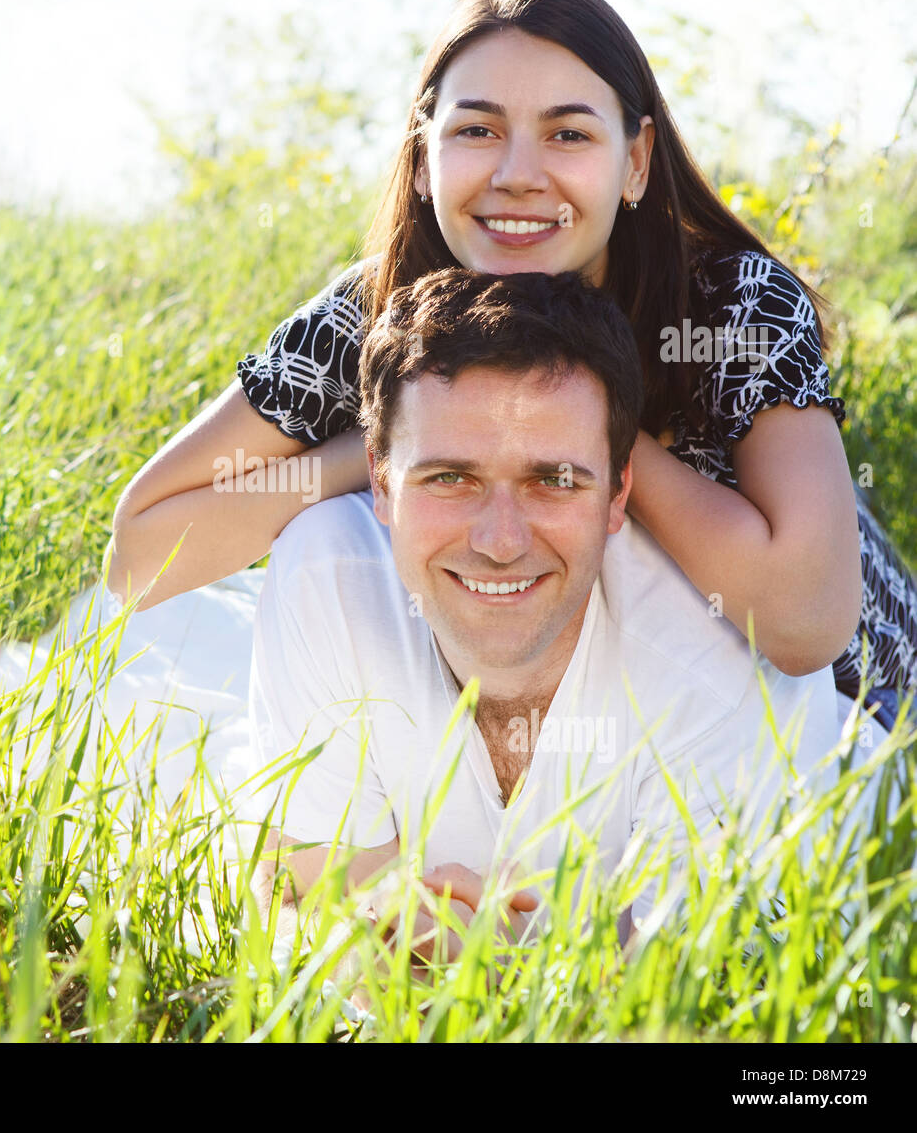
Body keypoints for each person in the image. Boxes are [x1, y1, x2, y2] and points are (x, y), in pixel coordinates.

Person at [104, 0, 916, 728]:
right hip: (533, 719)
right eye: (478, 129)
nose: (519, 174)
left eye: (567, 134)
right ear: (424, 159)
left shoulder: (728, 302)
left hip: (825, 730)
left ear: (634, 162)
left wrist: (586, 427)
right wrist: (382, 449)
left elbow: (806, 621)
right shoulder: (375, 311)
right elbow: (140, 553)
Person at [246, 266, 876, 954]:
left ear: (618, 492)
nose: (500, 540)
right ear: (380, 480)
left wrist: (481, 956)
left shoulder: (726, 665)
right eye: (450, 478)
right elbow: (329, 926)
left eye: (553, 480)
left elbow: (690, 1002)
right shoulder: (328, 577)